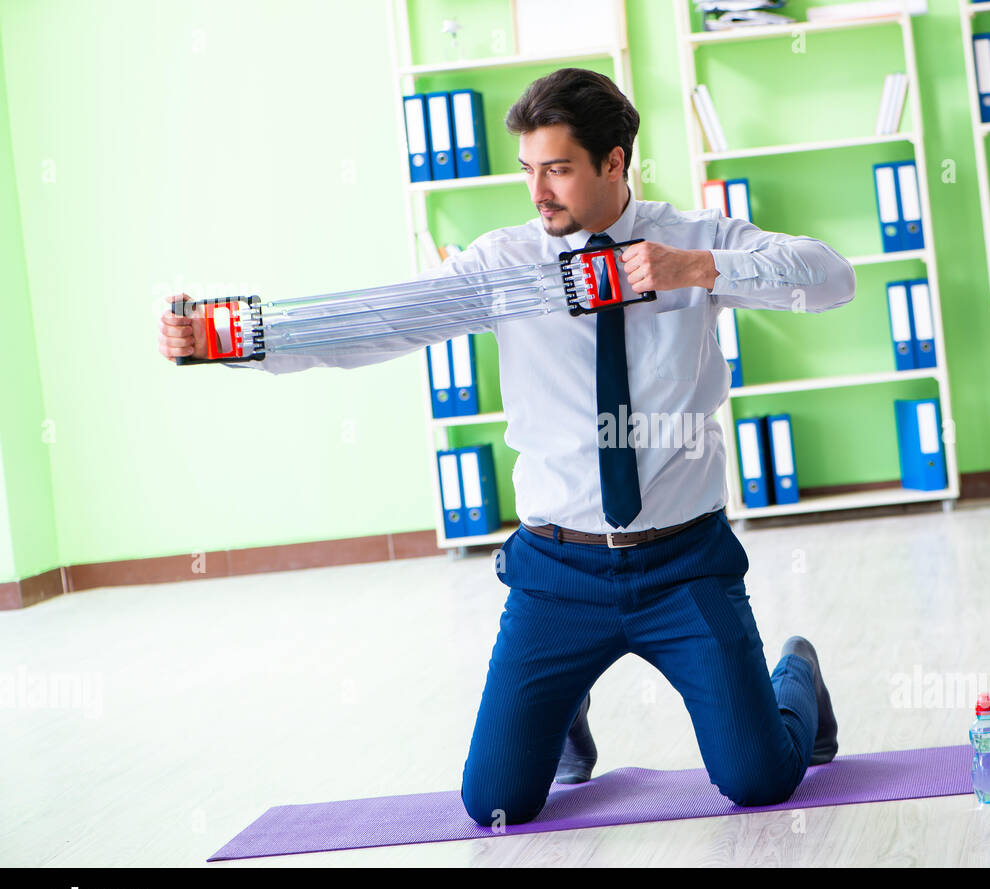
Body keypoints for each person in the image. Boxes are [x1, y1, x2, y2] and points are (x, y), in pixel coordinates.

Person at [158, 68, 855, 826]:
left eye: (557, 169)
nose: (538, 192)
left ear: (614, 161)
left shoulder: (692, 239)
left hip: (684, 563)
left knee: (759, 779)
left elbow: (831, 279)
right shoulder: (504, 263)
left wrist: (699, 268)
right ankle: (565, 702)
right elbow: (384, 319)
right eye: (528, 170)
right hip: (558, 573)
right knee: (494, 801)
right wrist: (229, 340)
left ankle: (796, 673)